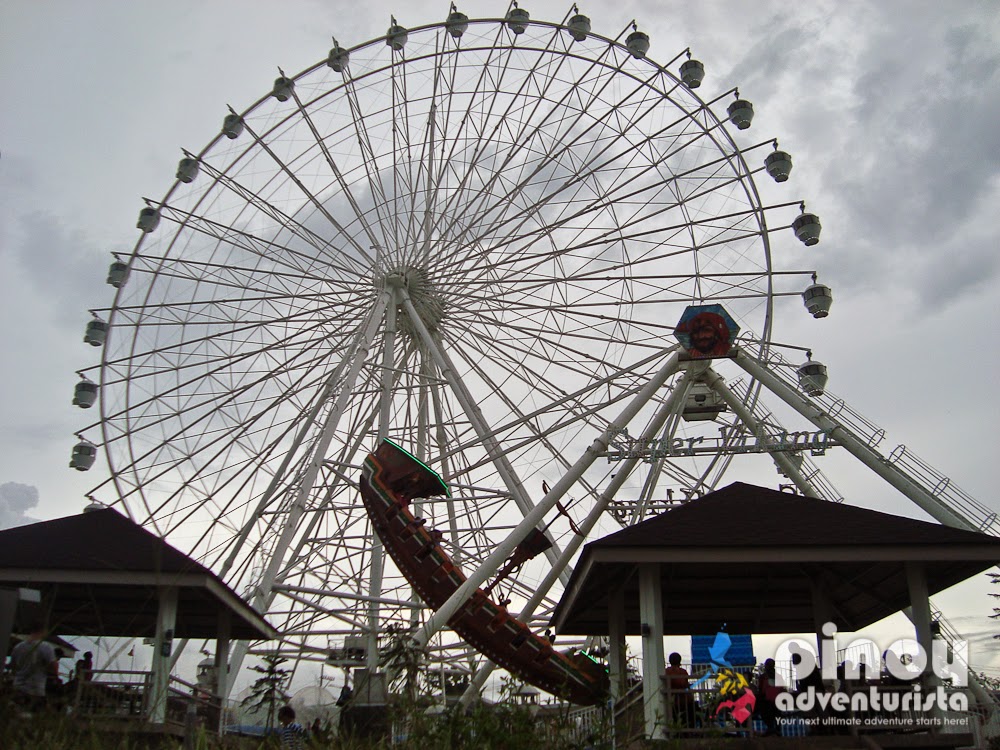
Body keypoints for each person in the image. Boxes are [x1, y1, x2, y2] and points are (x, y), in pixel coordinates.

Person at [8, 620, 58, 712]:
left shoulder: (18, 647)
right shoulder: (46, 647)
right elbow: (54, 667)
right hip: (36, 688)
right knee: (34, 716)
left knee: (18, 715)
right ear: (44, 631)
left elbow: (13, 666)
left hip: (18, 686)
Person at [664, 652, 695, 727]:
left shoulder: (667, 671)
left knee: (676, 717)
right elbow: (685, 684)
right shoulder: (683, 672)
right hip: (684, 699)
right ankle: (691, 731)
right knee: (689, 716)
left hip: (673, 700)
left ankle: (678, 732)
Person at [755, 658, 782, 736]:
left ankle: (772, 728)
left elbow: (760, 690)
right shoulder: (777, 677)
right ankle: (774, 729)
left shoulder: (763, 677)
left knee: (764, 709)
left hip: (769, 702)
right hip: (773, 702)